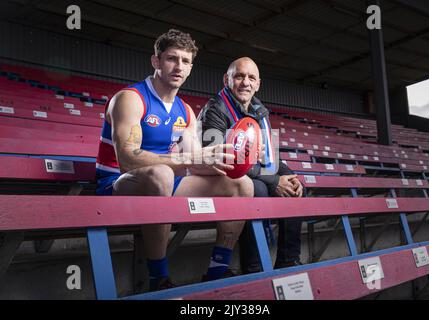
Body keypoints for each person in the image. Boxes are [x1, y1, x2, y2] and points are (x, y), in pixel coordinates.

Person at [95, 30, 253, 291]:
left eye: (186, 61)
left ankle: (216, 272)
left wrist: (228, 159)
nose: (179, 66)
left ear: (191, 68)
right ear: (156, 62)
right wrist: (194, 157)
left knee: (241, 184)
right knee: (162, 175)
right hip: (116, 184)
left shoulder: (185, 111)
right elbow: (128, 160)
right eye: (172, 58)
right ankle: (159, 279)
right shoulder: (130, 99)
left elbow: (193, 162)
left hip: (165, 184)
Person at [198, 57, 303, 274]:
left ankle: (288, 261)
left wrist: (290, 176)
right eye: (239, 76)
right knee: (259, 189)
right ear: (226, 80)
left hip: (251, 173)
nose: (245, 82)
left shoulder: (260, 112)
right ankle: (253, 266)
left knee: (293, 189)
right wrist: (274, 180)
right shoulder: (216, 109)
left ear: (258, 84)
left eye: (251, 78)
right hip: (218, 177)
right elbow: (222, 159)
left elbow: (272, 155)